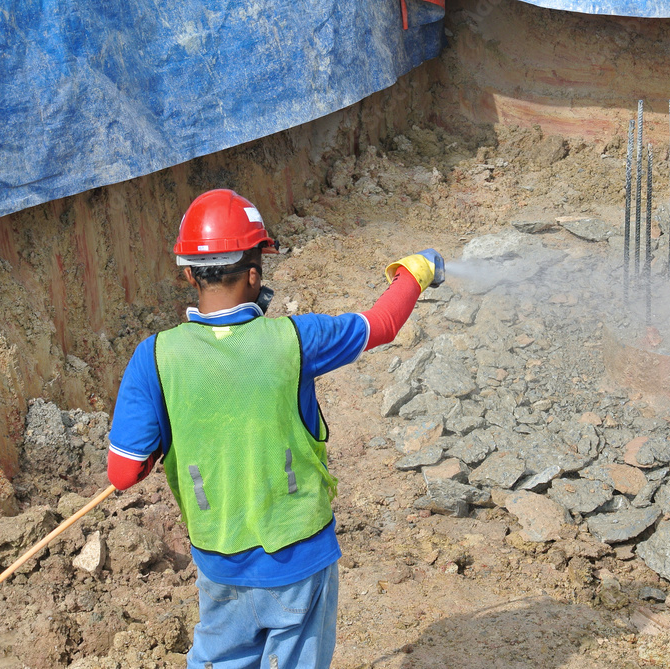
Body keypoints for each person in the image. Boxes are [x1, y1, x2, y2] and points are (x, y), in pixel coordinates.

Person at [105, 188, 444, 669]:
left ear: (187, 273)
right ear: (254, 272)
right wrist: (415, 271)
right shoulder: (295, 338)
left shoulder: (155, 358)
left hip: (220, 564)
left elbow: (123, 473)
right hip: (299, 558)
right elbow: (383, 324)